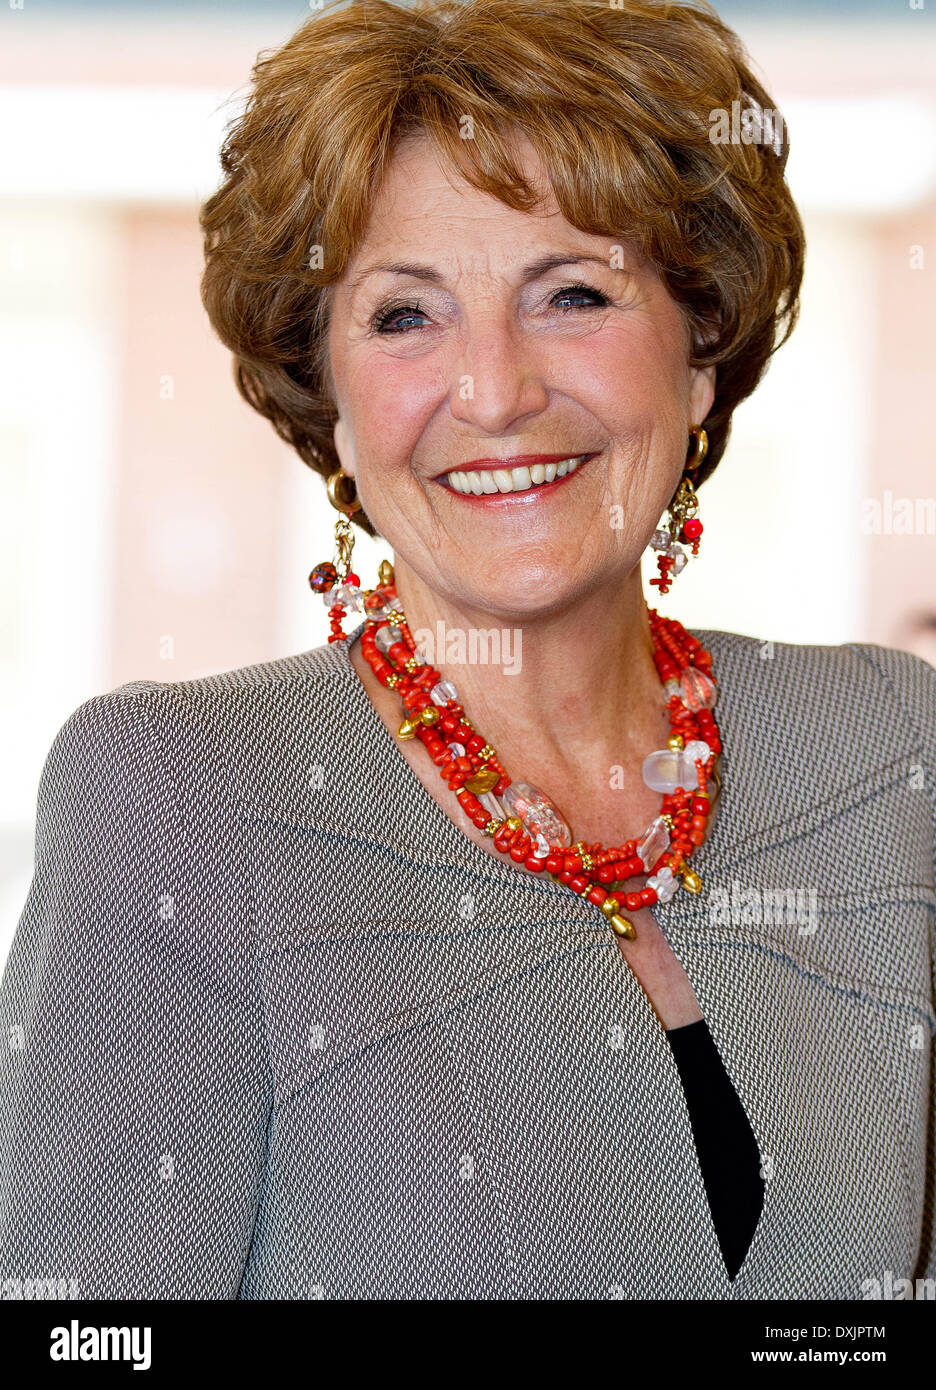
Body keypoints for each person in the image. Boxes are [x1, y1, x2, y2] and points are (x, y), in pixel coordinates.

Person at [1, 0, 933, 1300]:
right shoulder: (174, 794)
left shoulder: (894, 746)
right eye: (403, 317)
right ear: (326, 394)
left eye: (572, 293)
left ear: (700, 347)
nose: (492, 391)